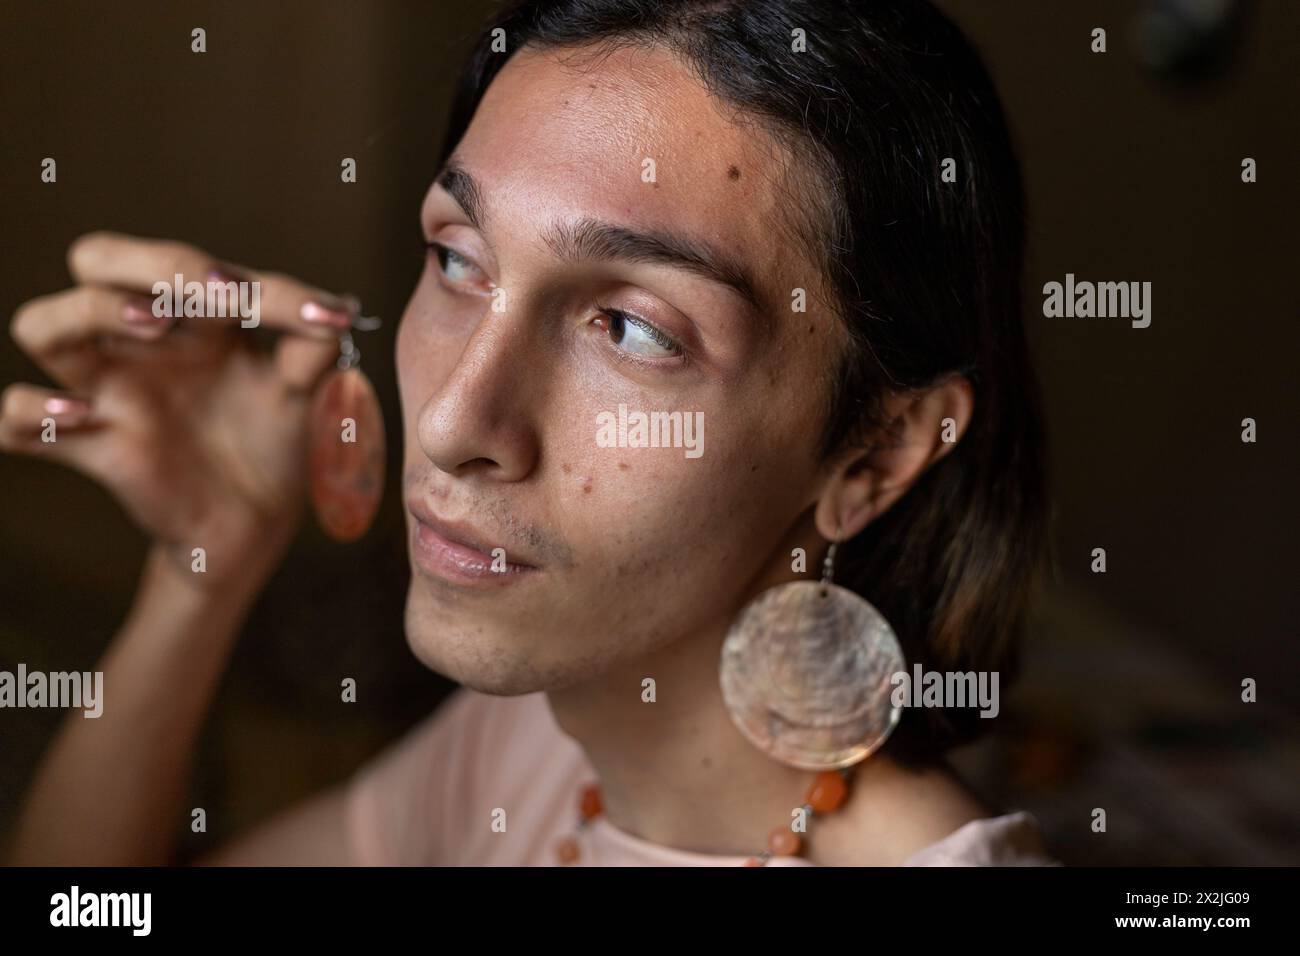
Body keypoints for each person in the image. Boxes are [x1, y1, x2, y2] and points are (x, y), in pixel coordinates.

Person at [2, 0, 1054, 866]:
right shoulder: (533, 741)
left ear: (877, 452)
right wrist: (203, 569)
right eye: (459, 259)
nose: (457, 419)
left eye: (632, 327)